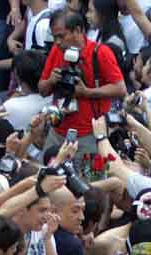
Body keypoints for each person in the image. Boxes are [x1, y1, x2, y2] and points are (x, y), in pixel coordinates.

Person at [39, 9, 126, 154]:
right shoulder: (56, 50)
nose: (58, 42)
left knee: (89, 177)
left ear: (78, 30)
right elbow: (42, 89)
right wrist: (51, 81)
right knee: (50, 175)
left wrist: (87, 92)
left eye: (61, 36)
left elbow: (120, 89)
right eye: (55, 37)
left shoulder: (100, 52)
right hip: (58, 132)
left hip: (90, 135)